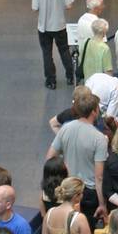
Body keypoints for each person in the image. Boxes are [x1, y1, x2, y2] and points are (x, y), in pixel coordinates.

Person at [48, 88, 109, 226]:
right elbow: (99, 177)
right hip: (89, 194)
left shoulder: (65, 129)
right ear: (94, 112)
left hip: (69, 188)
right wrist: (102, 204)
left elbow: (50, 158)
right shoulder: (99, 138)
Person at [32, 0, 75, 90]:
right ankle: (69, 76)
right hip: (59, 25)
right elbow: (69, 5)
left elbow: (35, 8)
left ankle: (51, 80)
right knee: (64, 50)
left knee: (47, 53)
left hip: (44, 27)